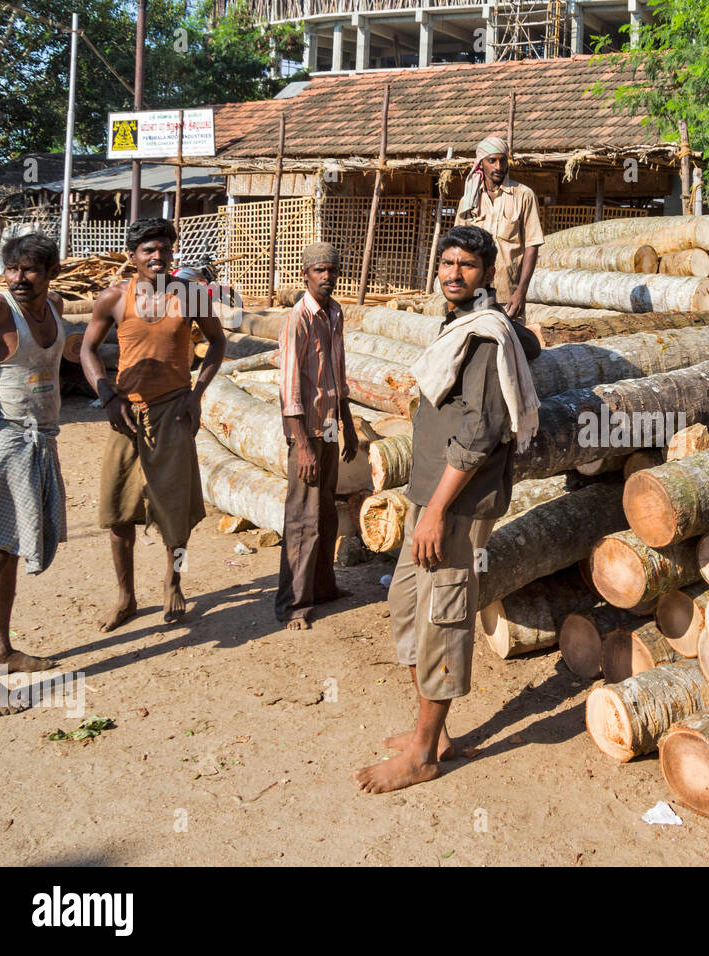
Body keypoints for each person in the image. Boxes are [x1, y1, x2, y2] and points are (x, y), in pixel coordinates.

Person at [355, 225, 541, 794]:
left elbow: (480, 433)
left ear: (488, 273)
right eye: (446, 263)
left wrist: (435, 512)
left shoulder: (486, 337)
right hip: (429, 498)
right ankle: (430, 735)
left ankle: (424, 756)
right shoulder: (461, 326)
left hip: (455, 506)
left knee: (442, 619)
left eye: (466, 265)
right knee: (408, 607)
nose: (453, 273)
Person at [81, 217, 227, 631]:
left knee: (175, 512)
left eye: (164, 248)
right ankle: (126, 597)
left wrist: (197, 395)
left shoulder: (190, 295)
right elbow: (88, 350)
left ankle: (172, 582)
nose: (158, 256)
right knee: (120, 512)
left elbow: (218, 343)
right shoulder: (113, 297)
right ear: (133, 257)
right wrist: (107, 396)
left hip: (174, 411)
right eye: (148, 250)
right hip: (126, 413)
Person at [0, 233, 66, 713]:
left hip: (38, 443)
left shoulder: (52, 306)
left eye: (29, 269)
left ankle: (1, 650)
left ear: (50, 272)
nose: (17, 278)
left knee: (9, 553)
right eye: (11, 268)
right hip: (1, 443)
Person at [276, 242, 358, 630]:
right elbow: (290, 389)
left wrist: (349, 425)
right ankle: (293, 604)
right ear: (306, 275)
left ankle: (324, 587)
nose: (326, 277)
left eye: (331, 271)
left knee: (326, 514)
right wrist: (303, 446)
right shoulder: (298, 318)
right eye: (319, 271)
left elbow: (337, 377)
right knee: (303, 517)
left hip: (328, 428)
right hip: (306, 432)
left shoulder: (335, 313)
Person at [453, 135, 544, 321]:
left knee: (511, 346)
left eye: (502, 160)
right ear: (481, 164)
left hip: (507, 297)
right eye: (492, 161)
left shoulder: (523, 196)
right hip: (472, 294)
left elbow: (532, 246)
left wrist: (521, 291)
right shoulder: (468, 201)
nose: (498, 167)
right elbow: (457, 250)